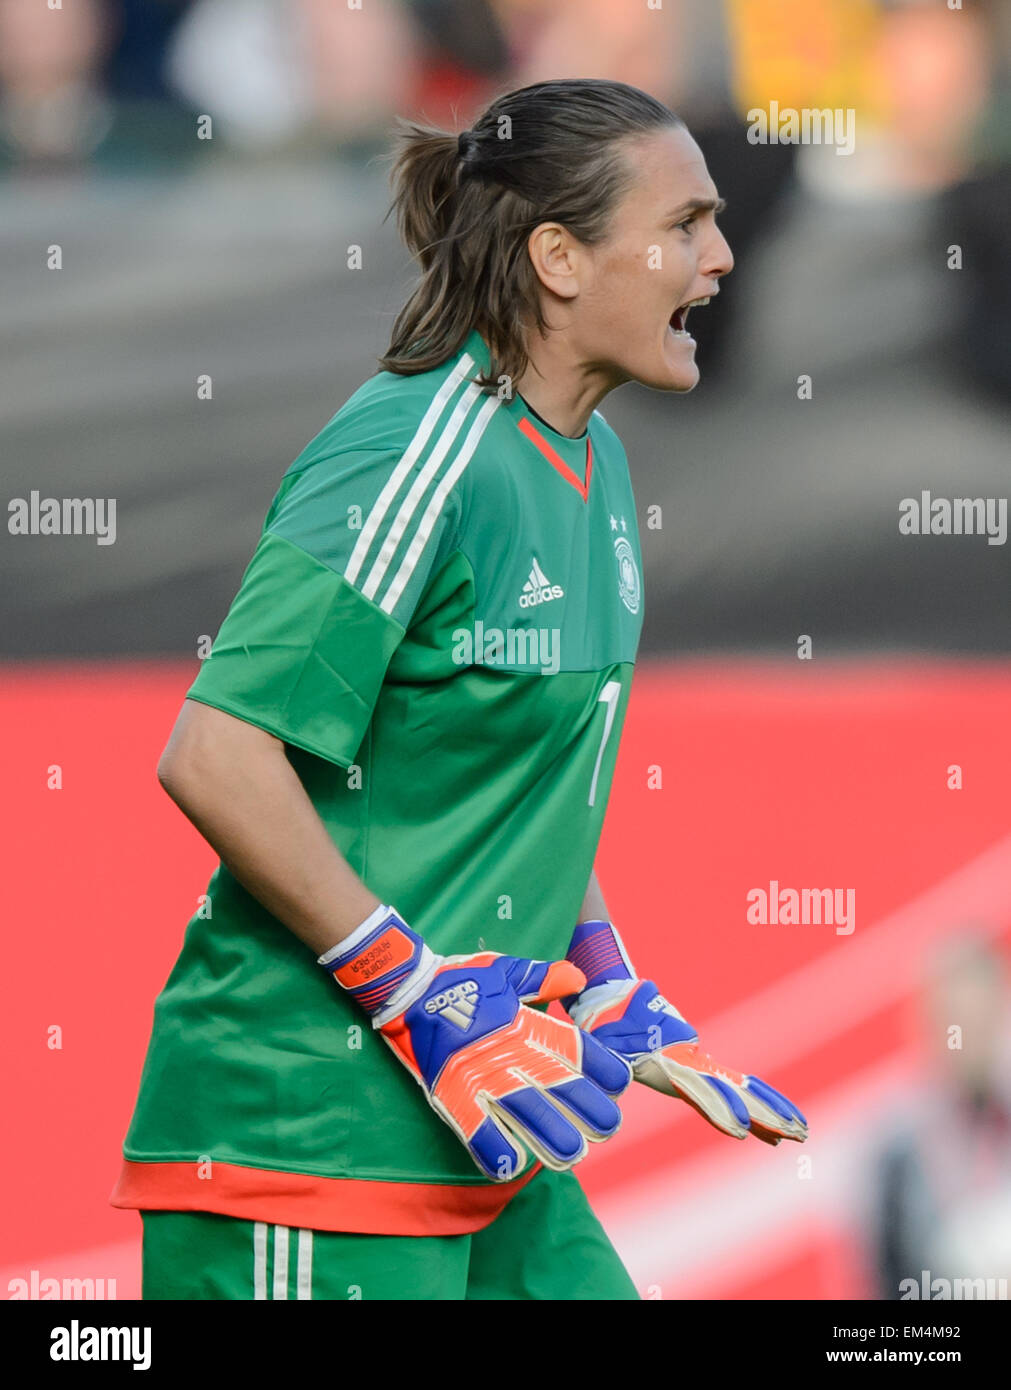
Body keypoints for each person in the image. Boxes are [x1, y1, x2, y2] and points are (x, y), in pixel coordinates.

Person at [111, 77, 807, 1302]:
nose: (722, 253)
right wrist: (415, 987)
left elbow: (511, 777)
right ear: (558, 258)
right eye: (687, 223)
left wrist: (602, 973)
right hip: (310, 1145)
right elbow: (215, 752)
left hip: (493, 1127)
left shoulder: (589, 456)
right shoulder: (410, 448)